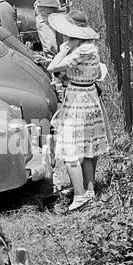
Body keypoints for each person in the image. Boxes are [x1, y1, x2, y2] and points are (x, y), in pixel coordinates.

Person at [47, 11, 109, 211]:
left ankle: (80, 195)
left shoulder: (79, 51)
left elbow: (52, 67)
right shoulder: (91, 48)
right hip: (89, 97)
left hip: (77, 101)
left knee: (69, 148)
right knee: (87, 146)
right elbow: (96, 73)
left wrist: (64, 49)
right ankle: (89, 189)